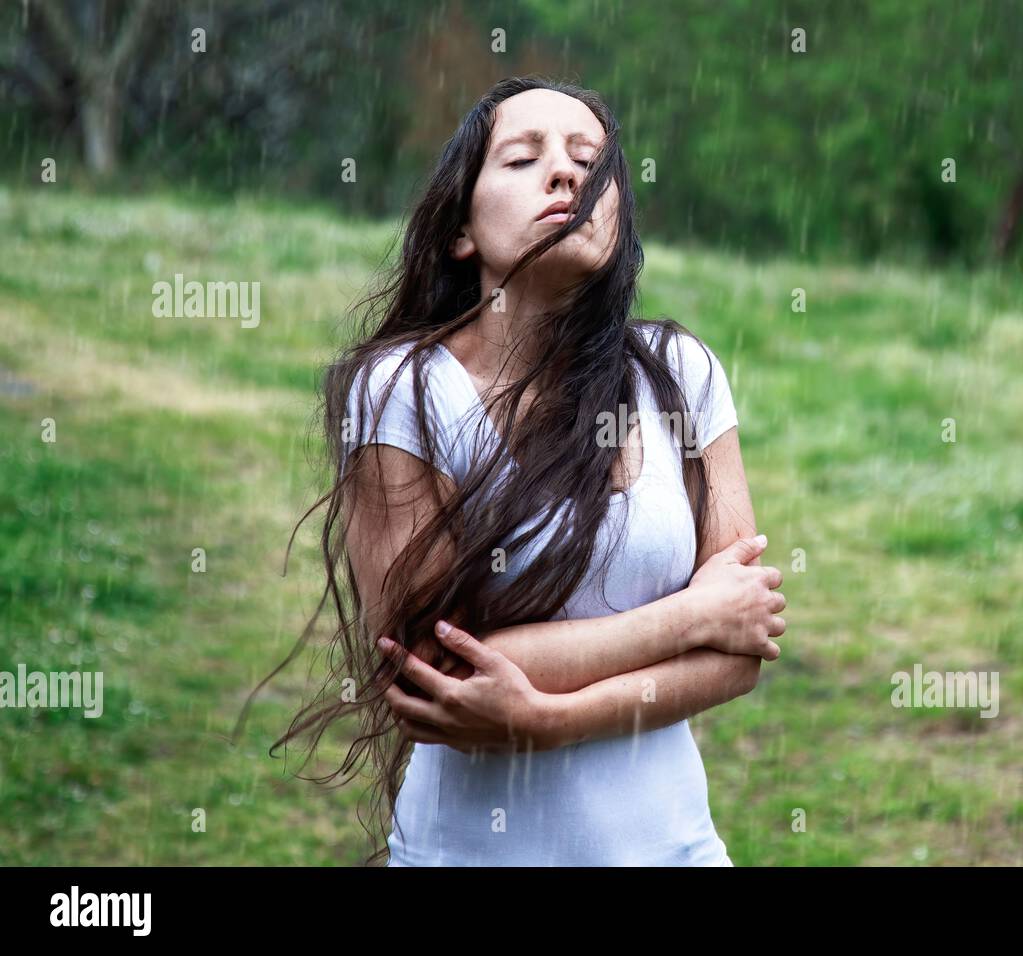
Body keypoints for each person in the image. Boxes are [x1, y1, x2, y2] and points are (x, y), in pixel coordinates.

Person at [273, 76, 787, 866]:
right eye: (523, 158)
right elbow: (431, 664)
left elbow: (741, 644)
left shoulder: (681, 376)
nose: (567, 174)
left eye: (590, 160)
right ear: (460, 232)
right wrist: (687, 618)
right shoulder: (401, 391)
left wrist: (547, 719)